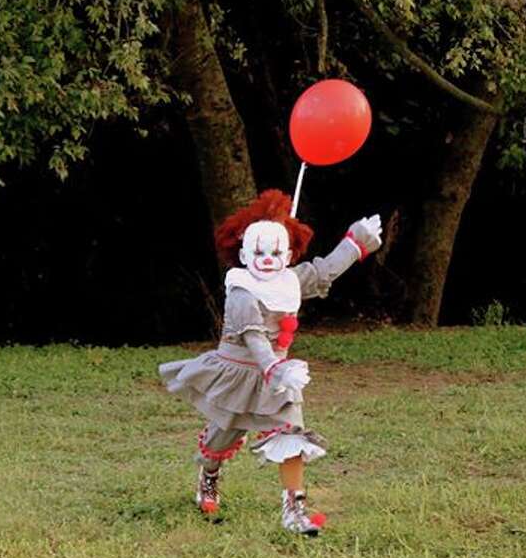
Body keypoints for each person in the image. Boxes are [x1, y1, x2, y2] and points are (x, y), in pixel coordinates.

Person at [159, 189, 383, 535]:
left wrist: (356, 243)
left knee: (291, 434)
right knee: (221, 438)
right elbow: (254, 337)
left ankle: (293, 509)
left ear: (289, 253)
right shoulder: (241, 290)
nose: (267, 258)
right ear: (245, 254)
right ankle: (209, 475)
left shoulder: (290, 281)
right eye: (259, 252)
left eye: (276, 252)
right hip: (238, 373)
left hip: (278, 377)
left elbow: (324, 271)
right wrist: (275, 367)